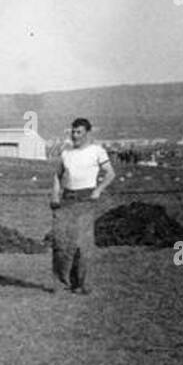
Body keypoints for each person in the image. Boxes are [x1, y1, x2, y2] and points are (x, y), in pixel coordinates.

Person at [49, 117, 115, 294]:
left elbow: (110, 174)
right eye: (73, 131)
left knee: (83, 244)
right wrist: (55, 194)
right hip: (67, 199)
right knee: (61, 241)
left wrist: (98, 190)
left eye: (79, 132)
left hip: (86, 200)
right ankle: (61, 283)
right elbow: (57, 175)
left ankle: (83, 284)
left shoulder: (97, 151)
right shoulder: (66, 153)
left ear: (87, 133)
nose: (75, 135)